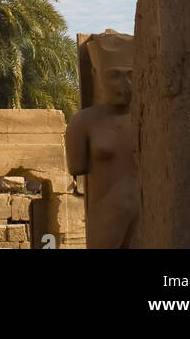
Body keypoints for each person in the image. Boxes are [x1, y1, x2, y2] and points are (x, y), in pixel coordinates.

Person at [64, 29, 139, 249]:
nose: (123, 85)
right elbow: (76, 166)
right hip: (105, 218)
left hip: (145, 217)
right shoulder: (83, 123)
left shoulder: (148, 118)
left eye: (130, 76)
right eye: (114, 75)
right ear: (97, 74)